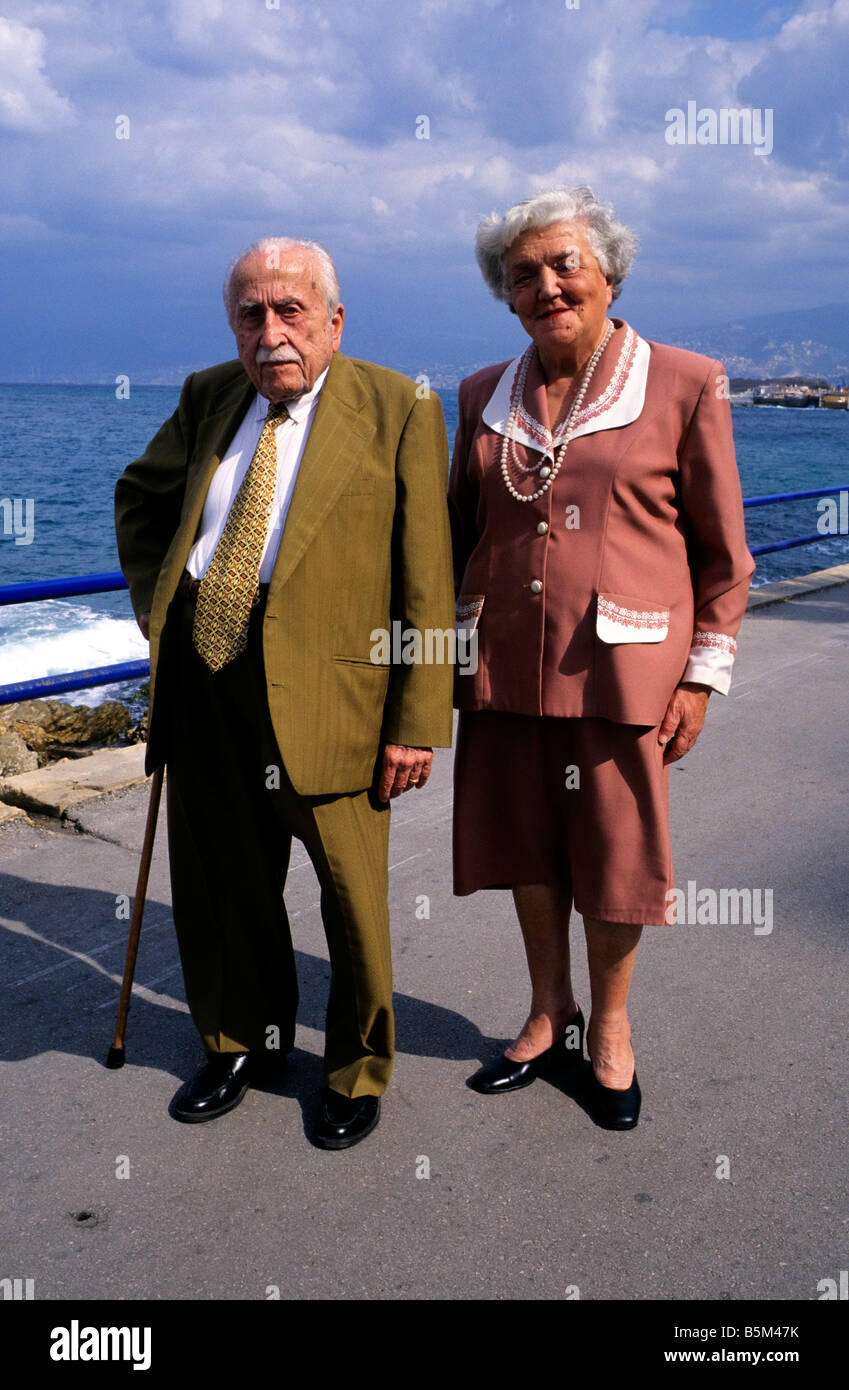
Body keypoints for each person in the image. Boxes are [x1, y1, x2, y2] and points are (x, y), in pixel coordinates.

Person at [115, 237, 454, 1148]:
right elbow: (141, 498)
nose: (271, 333)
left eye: (290, 310)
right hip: (207, 680)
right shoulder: (207, 395)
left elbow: (428, 575)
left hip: (334, 697)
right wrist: (163, 613)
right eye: (250, 314)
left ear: (334, 319)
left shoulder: (402, 407)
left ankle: (355, 1070)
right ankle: (240, 1043)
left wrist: (416, 722)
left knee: (350, 898)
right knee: (224, 883)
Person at [448, 186, 754, 1129]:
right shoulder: (478, 395)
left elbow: (723, 552)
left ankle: (611, 1030)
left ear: (608, 272)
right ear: (505, 297)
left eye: (563, 263)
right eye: (522, 274)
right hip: (502, 671)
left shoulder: (683, 381)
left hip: (622, 675)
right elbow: (459, 535)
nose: (545, 285)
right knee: (528, 850)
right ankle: (550, 1011)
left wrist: (702, 675)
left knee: (615, 856)